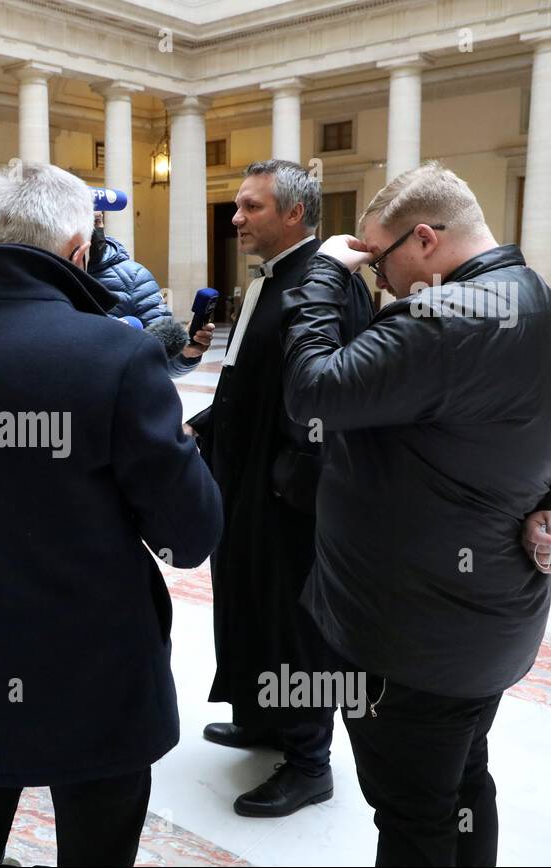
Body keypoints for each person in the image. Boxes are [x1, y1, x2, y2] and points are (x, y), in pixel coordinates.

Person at [0, 161, 223, 866]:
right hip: (98, 676)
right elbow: (190, 535)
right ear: (79, 252)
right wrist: (184, 451)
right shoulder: (117, 356)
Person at [281, 161, 551, 865]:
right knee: (462, 783)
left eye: (379, 260)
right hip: (491, 624)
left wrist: (322, 276)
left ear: (424, 239)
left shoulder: (440, 320)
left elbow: (312, 391)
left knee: (413, 816)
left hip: (409, 635)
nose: (379, 279)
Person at [192, 160, 371, 817]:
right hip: (245, 483)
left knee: (296, 624)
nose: (236, 218)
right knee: (251, 602)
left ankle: (308, 762)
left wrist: (293, 478)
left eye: (252, 207)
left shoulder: (330, 284)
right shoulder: (268, 279)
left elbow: (340, 391)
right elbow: (248, 381)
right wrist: (202, 425)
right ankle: (266, 717)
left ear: (295, 214)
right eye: (238, 206)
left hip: (291, 496)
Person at [88, 212, 214, 376]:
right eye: (86, 219)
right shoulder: (53, 275)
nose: (93, 229)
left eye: (97, 220)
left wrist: (185, 353)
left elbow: (163, 359)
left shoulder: (135, 277)